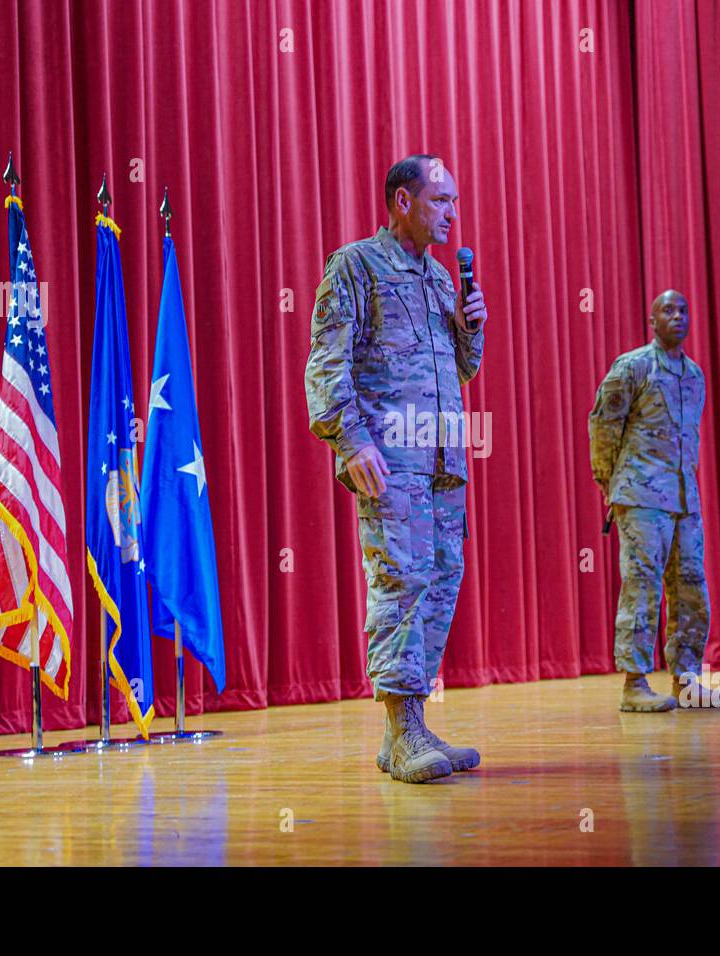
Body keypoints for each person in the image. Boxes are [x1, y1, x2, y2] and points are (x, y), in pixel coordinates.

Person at [305, 154, 489, 782]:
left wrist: (472, 330)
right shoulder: (354, 265)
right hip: (390, 457)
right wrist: (351, 441)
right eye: (440, 201)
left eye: (454, 202)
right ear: (402, 202)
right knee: (399, 580)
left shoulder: (442, 280)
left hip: (442, 456)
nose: (451, 214)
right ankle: (400, 727)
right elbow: (326, 360)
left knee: (441, 580)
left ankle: (410, 724)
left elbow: (460, 371)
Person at [588, 289, 720, 712]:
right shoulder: (633, 368)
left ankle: (687, 679)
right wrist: (609, 484)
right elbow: (603, 426)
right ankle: (635, 684)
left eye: (684, 309)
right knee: (642, 588)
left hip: (684, 497)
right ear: (652, 321)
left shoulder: (694, 376)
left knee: (691, 588)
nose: (678, 316)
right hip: (640, 495)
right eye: (668, 310)